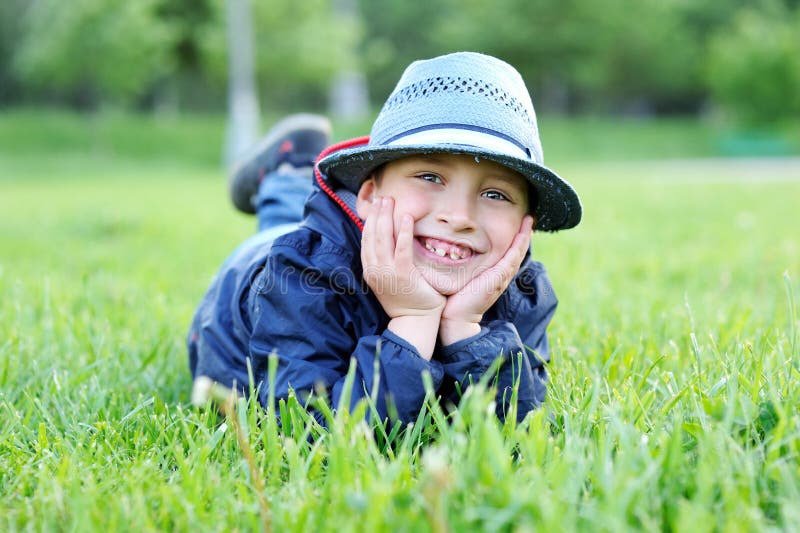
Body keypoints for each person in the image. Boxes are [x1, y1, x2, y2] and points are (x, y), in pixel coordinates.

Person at [188, 52, 582, 425]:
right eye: (430, 177)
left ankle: (292, 171)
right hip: (258, 269)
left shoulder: (520, 288)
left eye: (495, 195)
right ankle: (287, 173)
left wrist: (466, 327)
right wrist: (413, 321)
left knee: (300, 215)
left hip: (366, 235)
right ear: (370, 194)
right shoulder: (299, 277)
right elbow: (312, 434)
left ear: (523, 223)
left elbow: (515, 429)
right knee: (287, 227)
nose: (459, 217)